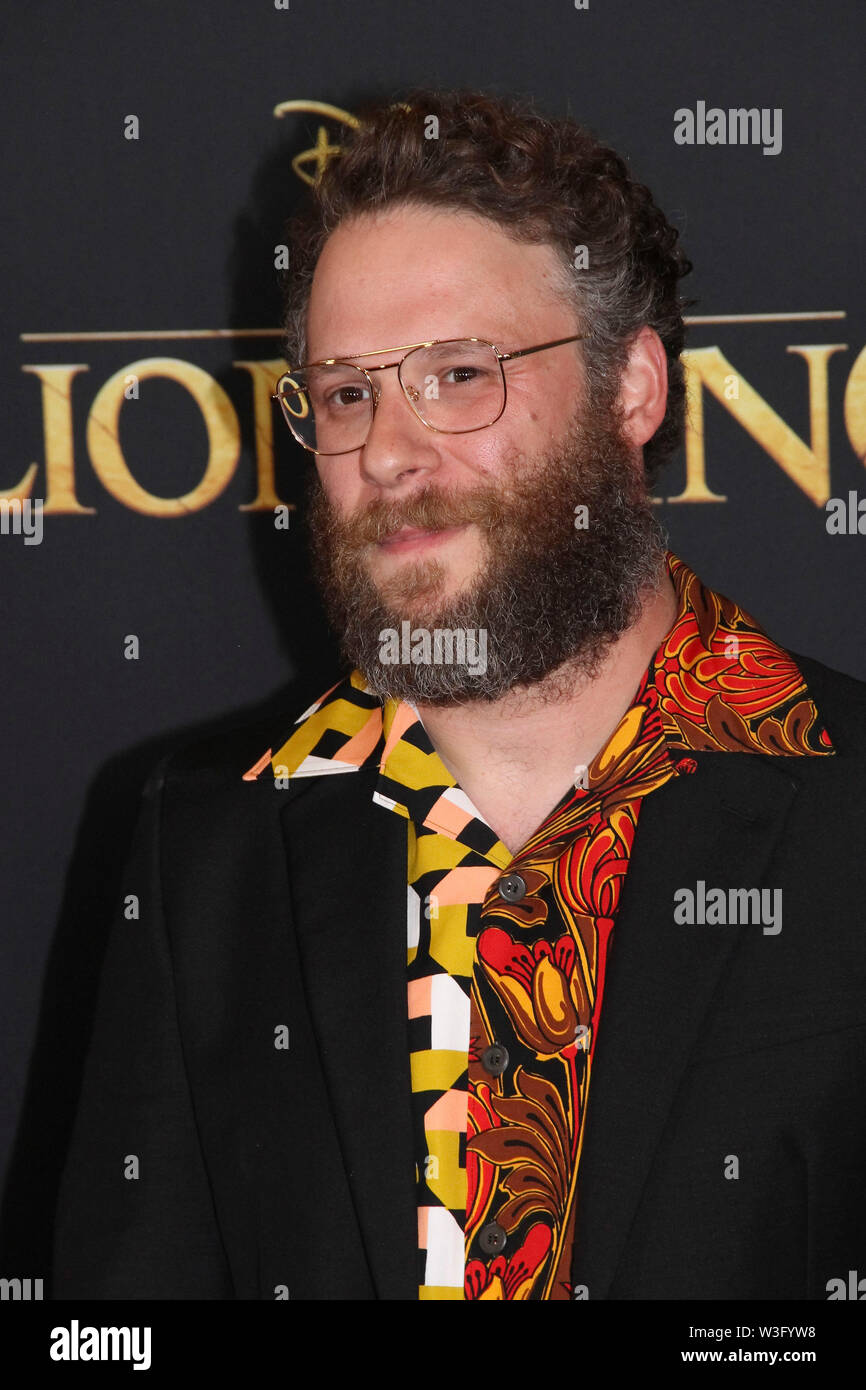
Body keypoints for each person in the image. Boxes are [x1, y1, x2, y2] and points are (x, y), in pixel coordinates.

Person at [53, 87, 866, 1301]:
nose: (386, 449)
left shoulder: (846, 810)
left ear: (631, 386)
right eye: (344, 393)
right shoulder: (206, 846)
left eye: (456, 375)